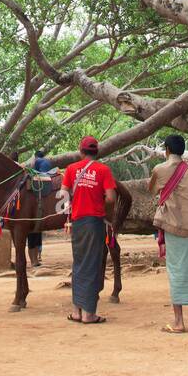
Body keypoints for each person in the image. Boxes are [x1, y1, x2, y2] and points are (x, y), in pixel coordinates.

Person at [148, 133, 188, 334]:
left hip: (173, 228)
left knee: (176, 272)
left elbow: (152, 190)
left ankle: (179, 321)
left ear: (166, 150)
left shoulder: (159, 170)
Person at [63, 135, 116, 324]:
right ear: (97, 152)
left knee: (78, 264)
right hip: (94, 222)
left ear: (80, 151)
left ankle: (77, 312)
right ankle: (89, 314)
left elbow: (64, 194)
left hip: (77, 222)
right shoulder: (104, 170)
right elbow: (111, 198)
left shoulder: (70, 169)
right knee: (92, 265)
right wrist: (104, 211)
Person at [27, 149, 57, 267]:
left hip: (41, 178)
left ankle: (34, 260)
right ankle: (37, 258)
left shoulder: (36, 161)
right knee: (36, 236)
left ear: (35, 156)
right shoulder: (47, 161)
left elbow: (33, 172)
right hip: (50, 176)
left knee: (33, 237)